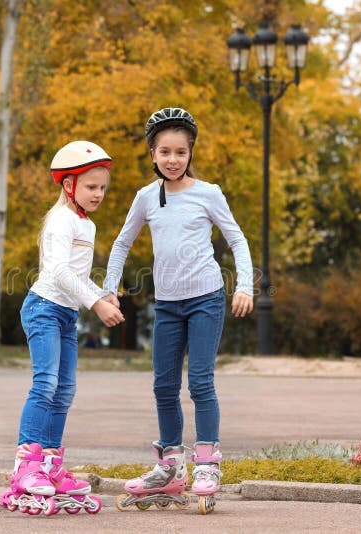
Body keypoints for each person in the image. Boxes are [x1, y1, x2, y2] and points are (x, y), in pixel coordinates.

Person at [103, 107, 254, 514]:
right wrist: (107, 290)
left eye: (181, 152)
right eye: (165, 151)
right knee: (163, 386)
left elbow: (237, 239)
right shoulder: (145, 198)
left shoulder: (209, 193)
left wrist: (245, 286)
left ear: (190, 154)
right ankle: (170, 467)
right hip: (168, 305)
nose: (173, 159)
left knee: (200, 382)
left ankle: (207, 464)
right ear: (152, 153)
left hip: (206, 298)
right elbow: (121, 243)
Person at [0, 140, 124, 516]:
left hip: (66, 313)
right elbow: (56, 271)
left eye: (102, 187)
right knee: (46, 383)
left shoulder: (87, 222)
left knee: (66, 389)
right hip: (43, 308)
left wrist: (104, 293)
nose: (98, 193)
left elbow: (77, 274)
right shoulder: (61, 219)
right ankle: (26, 464)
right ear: (69, 185)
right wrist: (96, 303)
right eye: (90, 187)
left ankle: (50, 464)